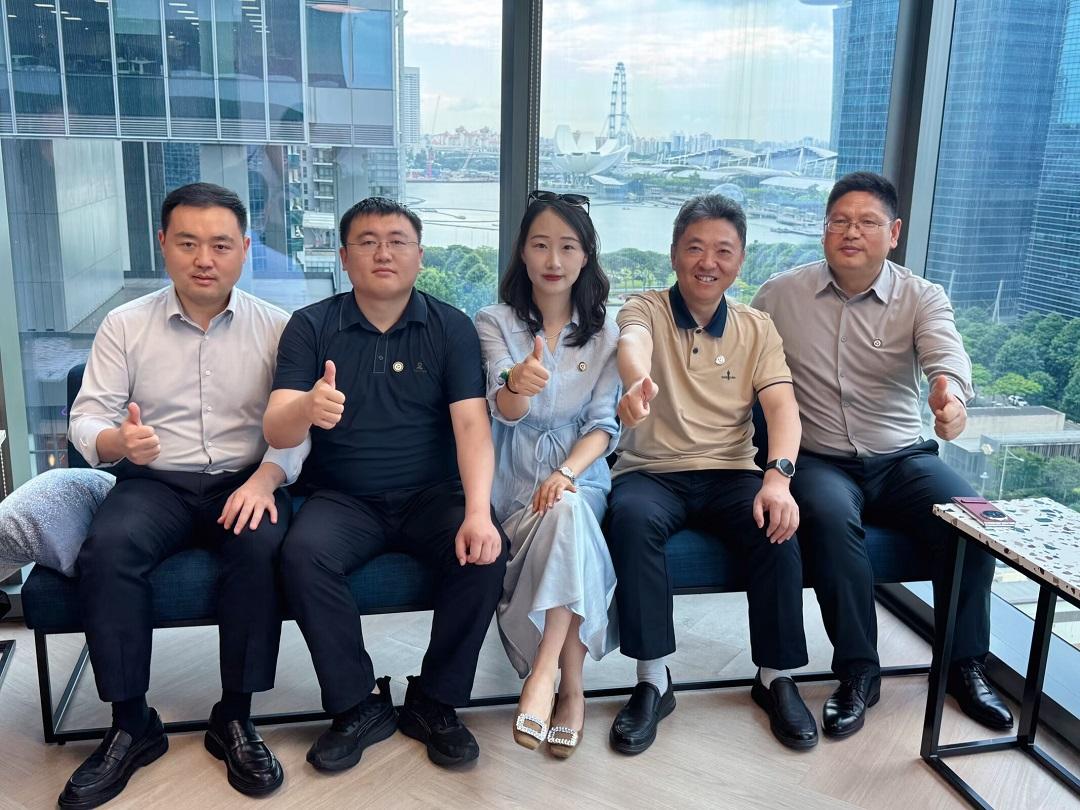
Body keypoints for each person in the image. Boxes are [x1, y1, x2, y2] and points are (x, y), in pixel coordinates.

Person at [63, 182, 308, 807]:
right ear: (163, 244)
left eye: (220, 245)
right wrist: (118, 441)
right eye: (188, 243)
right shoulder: (124, 324)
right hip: (156, 484)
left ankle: (235, 717)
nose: (204, 259)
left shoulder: (279, 329)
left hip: (243, 481)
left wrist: (266, 477)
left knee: (260, 548)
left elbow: (297, 429)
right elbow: (87, 417)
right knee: (108, 550)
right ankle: (131, 724)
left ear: (245, 249)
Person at [752, 171, 1013, 739]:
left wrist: (951, 396)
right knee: (829, 518)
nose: (852, 232)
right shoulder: (779, 295)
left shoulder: (922, 296)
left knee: (975, 524)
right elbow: (746, 363)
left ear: (893, 233)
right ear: (824, 230)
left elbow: (947, 356)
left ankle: (963, 666)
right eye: (840, 221)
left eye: (868, 222)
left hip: (902, 460)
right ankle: (858, 673)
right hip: (820, 459)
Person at [264, 196, 507, 771]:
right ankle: (357, 704)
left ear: (419, 256)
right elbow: (276, 426)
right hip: (343, 497)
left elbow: (472, 426)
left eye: (397, 241)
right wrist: (307, 407)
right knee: (302, 555)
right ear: (344, 257)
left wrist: (478, 511)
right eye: (367, 242)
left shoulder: (450, 326)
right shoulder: (311, 326)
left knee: (485, 552)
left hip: (433, 495)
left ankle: (436, 701)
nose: (383, 253)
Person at [607, 194, 816, 755]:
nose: (708, 262)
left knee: (777, 525)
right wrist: (636, 382)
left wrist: (779, 478)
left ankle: (775, 677)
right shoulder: (645, 307)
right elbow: (632, 342)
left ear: (740, 261)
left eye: (723, 251)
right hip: (651, 471)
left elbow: (782, 408)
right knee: (630, 520)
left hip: (730, 471)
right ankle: (653, 680)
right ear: (674, 253)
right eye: (695, 247)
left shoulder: (757, 327)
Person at [475, 191, 620, 757]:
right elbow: (503, 407)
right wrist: (517, 384)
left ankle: (543, 677)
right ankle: (573, 689)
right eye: (540, 245)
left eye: (567, 247)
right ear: (523, 253)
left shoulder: (606, 335)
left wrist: (564, 472)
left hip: (580, 471)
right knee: (568, 522)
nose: (553, 260)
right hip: (512, 476)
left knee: (568, 506)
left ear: (586, 256)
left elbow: (603, 426)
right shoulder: (494, 322)